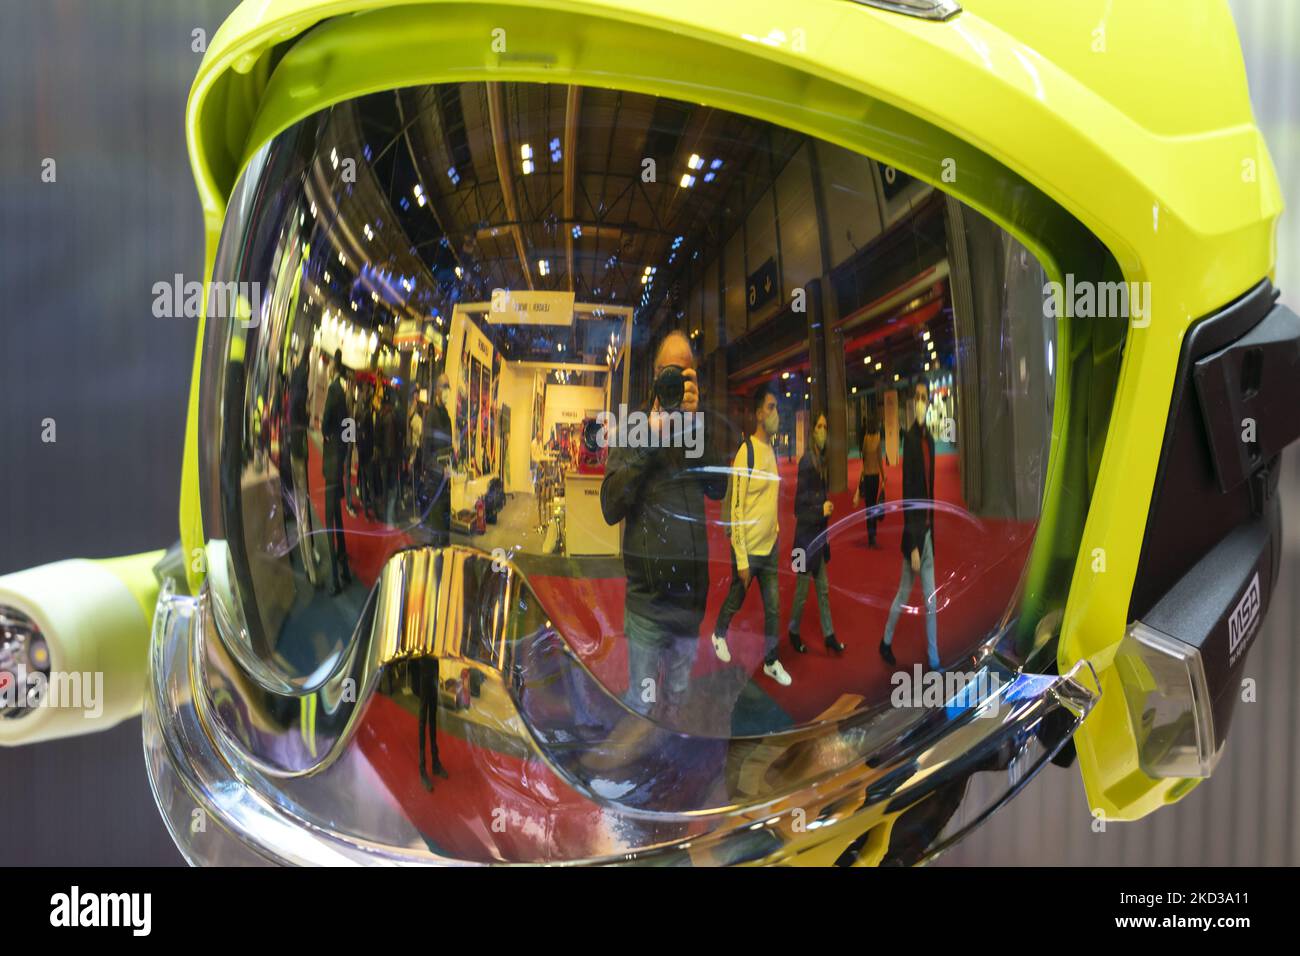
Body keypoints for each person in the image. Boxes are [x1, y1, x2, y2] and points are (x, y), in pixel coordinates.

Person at [600, 330, 724, 722]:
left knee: (677, 698)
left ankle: (667, 762)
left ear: (693, 379)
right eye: (668, 372)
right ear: (655, 376)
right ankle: (642, 773)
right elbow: (610, 504)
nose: (674, 382)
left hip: (689, 605)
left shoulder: (697, 428)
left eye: (683, 373)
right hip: (647, 608)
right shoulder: (635, 426)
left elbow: (719, 487)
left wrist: (696, 423)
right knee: (641, 703)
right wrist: (651, 437)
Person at [711, 384, 792, 687]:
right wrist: (742, 558)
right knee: (736, 597)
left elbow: (769, 497)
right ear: (758, 414)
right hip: (749, 551)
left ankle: (771, 661)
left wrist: (777, 531)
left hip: (769, 547)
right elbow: (736, 508)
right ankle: (718, 634)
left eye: (777, 408)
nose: (776, 414)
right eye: (771, 408)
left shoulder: (772, 450)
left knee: (773, 608)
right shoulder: (746, 453)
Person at [879, 381, 939, 671]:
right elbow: (909, 494)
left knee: (931, 602)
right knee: (903, 595)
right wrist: (914, 545)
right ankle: (885, 641)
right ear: (911, 403)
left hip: (928, 535)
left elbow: (930, 492)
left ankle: (935, 659)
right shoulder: (912, 440)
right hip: (915, 539)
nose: (920, 402)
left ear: (929, 403)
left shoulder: (930, 441)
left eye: (923, 397)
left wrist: (930, 537)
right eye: (916, 397)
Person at [789, 412, 844, 655]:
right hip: (803, 543)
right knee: (801, 594)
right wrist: (820, 509)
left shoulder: (820, 460)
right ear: (812, 430)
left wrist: (825, 510)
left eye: (825, 426)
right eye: (819, 426)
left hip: (819, 540)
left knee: (822, 589)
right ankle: (792, 632)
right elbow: (798, 508)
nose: (823, 430)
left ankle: (829, 634)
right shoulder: (806, 462)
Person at [320, 349, 353, 595]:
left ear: (334, 367)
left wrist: (328, 435)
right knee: (338, 519)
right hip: (338, 460)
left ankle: (335, 578)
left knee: (331, 520)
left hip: (331, 462)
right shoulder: (345, 392)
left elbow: (324, 423)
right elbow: (348, 429)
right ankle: (345, 571)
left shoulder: (333, 390)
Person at [421, 372, 454, 547]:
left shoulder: (447, 417)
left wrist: (455, 463)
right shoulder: (432, 415)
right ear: (437, 390)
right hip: (434, 488)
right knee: (436, 541)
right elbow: (426, 457)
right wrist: (442, 471)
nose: (447, 390)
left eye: (449, 386)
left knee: (445, 539)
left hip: (445, 488)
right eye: (444, 386)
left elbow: (448, 450)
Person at [853, 413, 887, 548]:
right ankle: (873, 536)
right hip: (875, 477)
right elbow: (879, 460)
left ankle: (870, 536)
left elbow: (864, 459)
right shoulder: (878, 439)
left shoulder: (866, 439)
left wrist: (860, 476)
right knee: (874, 507)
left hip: (866, 476)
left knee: (868, 507)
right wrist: (884, 477)